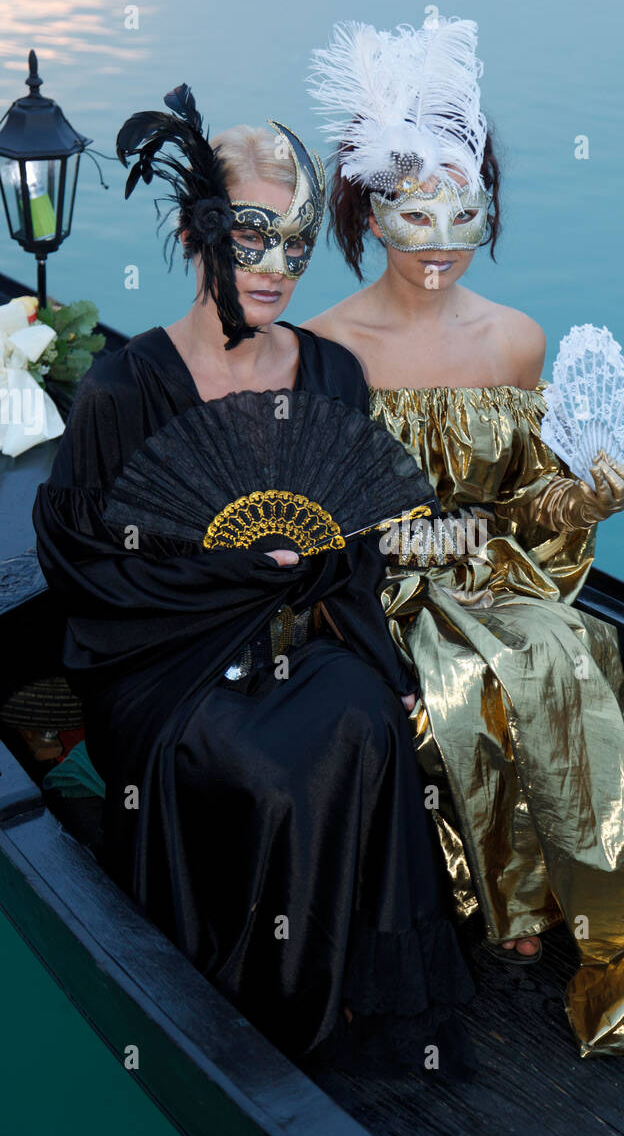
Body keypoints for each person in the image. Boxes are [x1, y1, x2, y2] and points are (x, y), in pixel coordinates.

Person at [33, 86, 475, 1075]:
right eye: (251, 237)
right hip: (167, 665)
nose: (276, 265)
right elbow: (86, 560)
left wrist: (318, 560)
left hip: (305, 647)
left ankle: (357, 990)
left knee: (365, 714)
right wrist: (225, 571)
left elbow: (355, 546)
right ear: (198, 238)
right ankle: (270, 1012)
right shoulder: (123, 389)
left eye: (297, 242)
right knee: (277, 770)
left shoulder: (329, 376)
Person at [305, 15, 624, 1056]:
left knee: (574, 653)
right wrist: (408, 554)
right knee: (457, 686)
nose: (439, 240)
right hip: (374, 590)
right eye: (414, 212)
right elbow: (311, 528)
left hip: (493, 570)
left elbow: (529, 506)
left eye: (462, 211)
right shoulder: (325, 350)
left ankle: (615, 939)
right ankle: (506, 905)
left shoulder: (515, 337)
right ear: (369, 210)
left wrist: (584, 502)